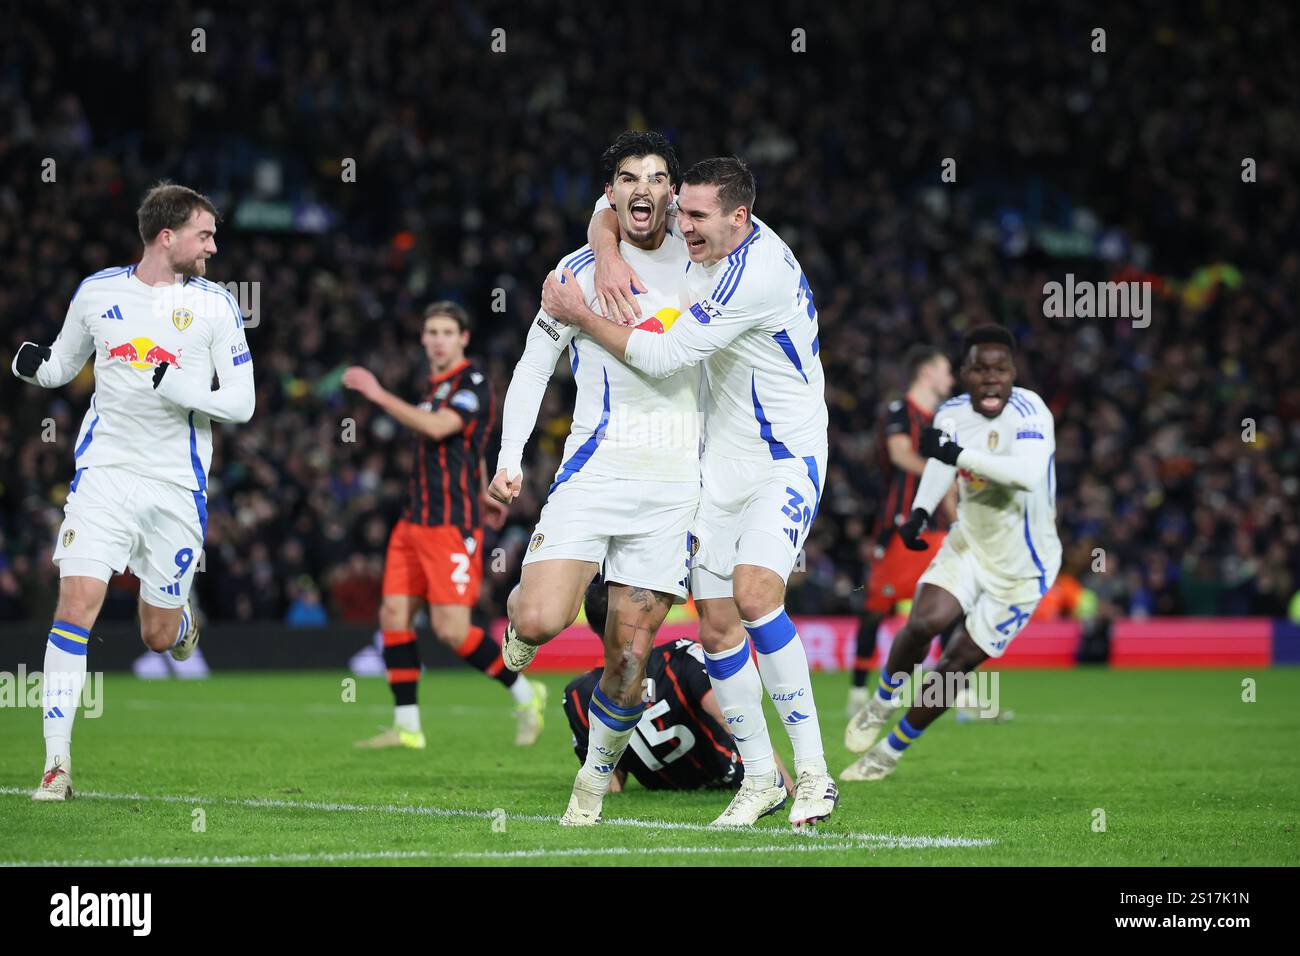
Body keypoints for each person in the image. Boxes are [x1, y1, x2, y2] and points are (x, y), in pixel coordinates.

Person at [541, 156, 837, 828]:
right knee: (716, 623)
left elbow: (663, 356)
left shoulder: (754, 275)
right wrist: (605, 249)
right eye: (684, 213)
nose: (684, 227)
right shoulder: (709, 233)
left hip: (783, 460)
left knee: (757, 593)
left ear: (742, 217)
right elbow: (610, 203)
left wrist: (579, 310)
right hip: (719, 465)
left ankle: (815, 775)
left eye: (698, 218)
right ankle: (761, 779)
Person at [13, 182, 256, 800]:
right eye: (205, 235)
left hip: (177, 486)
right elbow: (63, 367)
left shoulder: (217, 306)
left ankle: (181, 629)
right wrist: (27, 364)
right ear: (166, 236)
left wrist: (178, 387)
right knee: (75, 606)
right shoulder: (98, 293)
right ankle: (56, 764)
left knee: (156, 632)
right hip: (105, 476)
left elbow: (243, 404)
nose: (213, 247)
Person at [489, 131, 702, 824]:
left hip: (673, 487)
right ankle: (523, 618)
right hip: (596, 472)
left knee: (629, 659)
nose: (644, 188)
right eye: (629, 178)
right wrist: (508, 458)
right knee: (540, 618)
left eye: (658, 177)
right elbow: (530, 368)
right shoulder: (575, 273)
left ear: (675, 191)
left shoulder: (708, 262)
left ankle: (594, 779)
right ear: (608, 194)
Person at [841, 325, 1060, 781]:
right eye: (979, 369)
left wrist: (960, 455)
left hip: (1023, 568)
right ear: (964, 374)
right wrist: (921, 510)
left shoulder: (1031, 411)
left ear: (1013, 373)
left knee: (956, 660)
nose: (990, 378)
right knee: (924, 621)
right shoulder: (953, 413)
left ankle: (891, 750)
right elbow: (941, 461)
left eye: (1000, 369)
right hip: (969, 543)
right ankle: (881, 701)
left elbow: (1026, 475)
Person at [344, 302, 544, 750]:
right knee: (394, 616)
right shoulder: (431, 385)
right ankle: (408, 725)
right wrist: (481, 492)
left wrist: (378, 395)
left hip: (451, 527)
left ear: (463, 338)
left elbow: (439, 429)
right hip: (413, 522)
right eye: (430, 331)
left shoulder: (471, 384)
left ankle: (525, 693)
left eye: (446, 332)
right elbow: (467, 454)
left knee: (451, 629)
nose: (437, 339)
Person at [562, 579, 795, 796]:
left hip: (665, 787)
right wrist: (787, 785)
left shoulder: (576, 694)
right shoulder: (681, 657)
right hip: (734, 776)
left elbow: (610, 779)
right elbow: (732, 719)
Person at [848, 344, 955, 719]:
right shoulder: (899, 411)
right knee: (878, 605)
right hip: (900, 524)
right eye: (946, 370)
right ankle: (859, 692)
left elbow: (952, 481)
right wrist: (943, 471)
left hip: (939, 528)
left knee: (954, 604)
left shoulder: (945, 420)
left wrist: (957, 519)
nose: (951, 378)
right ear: (926, 372)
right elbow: (899, 455)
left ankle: (956, 692)